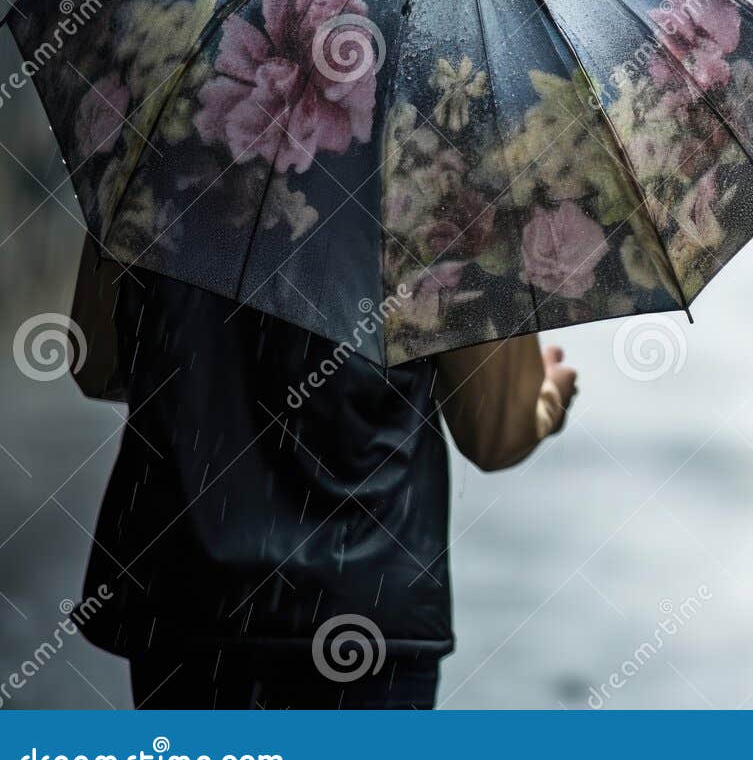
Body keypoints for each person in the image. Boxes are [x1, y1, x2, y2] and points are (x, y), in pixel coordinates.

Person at [67, 237, 578, 709]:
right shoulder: (444, 160)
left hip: (185, 585)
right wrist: (549, 394)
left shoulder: (157, 149)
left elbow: (97, 363)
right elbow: (496, 431)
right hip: (363, 600)